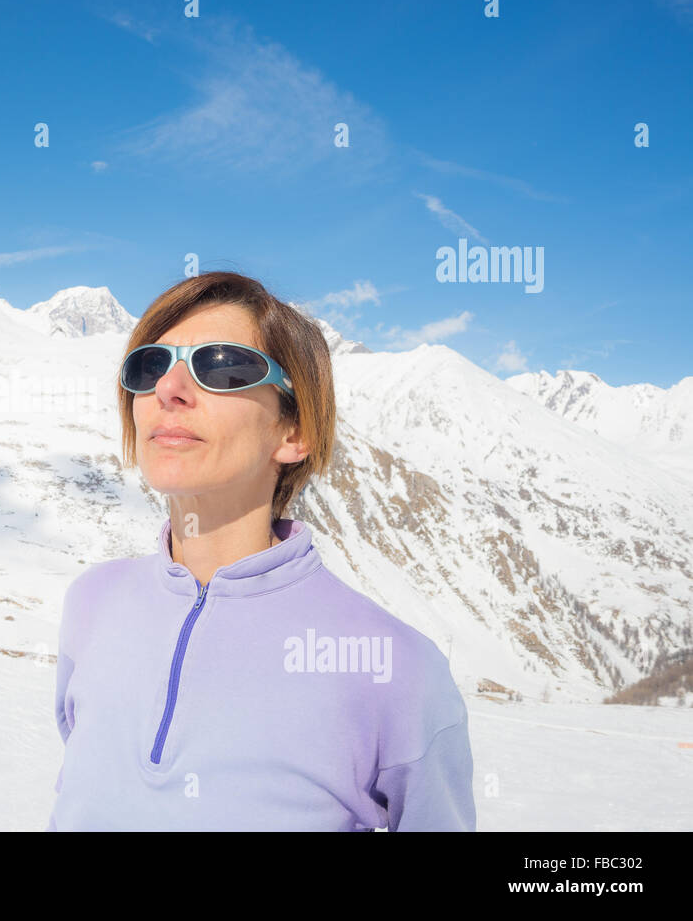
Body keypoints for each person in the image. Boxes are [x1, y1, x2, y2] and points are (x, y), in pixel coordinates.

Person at [47, 272, 475, 831]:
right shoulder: (92, 603)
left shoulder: (395, 667)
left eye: (222, 365)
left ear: (293, 432)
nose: (168, 390)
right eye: (148, 367)